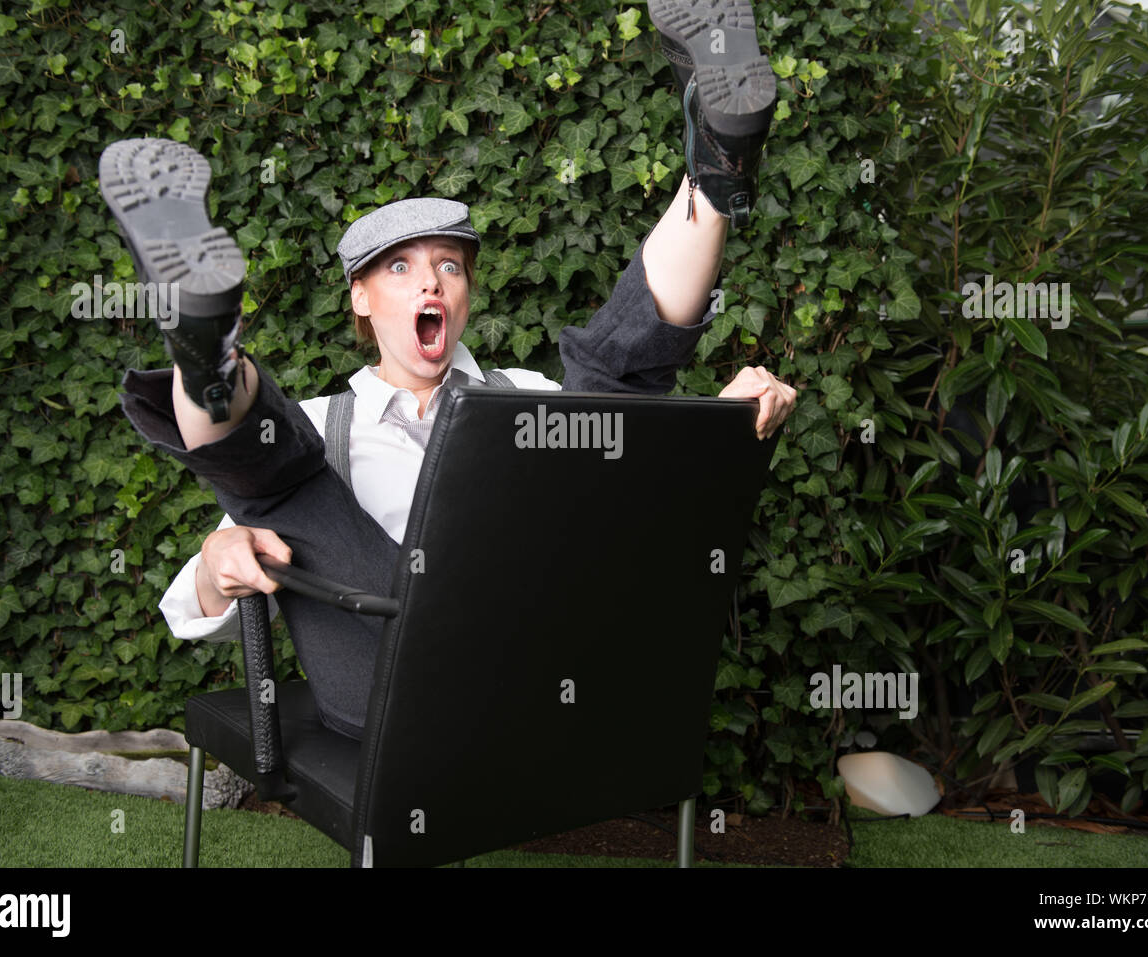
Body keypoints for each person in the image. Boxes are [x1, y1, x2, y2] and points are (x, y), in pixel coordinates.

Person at [109, 0, 800, 739]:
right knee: (282, 484)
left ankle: (720, 159)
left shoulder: (523, 395)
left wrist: (720, 429)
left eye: (448, 266)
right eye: (400, 268)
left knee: (603, 398)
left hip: (549, 669)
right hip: (389, 694)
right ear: (362, 298)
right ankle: (205, 343)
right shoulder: (314, 429)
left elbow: (637, 515)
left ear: (466, 296)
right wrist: (219, 561)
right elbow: (204, 599)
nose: (431, 283)